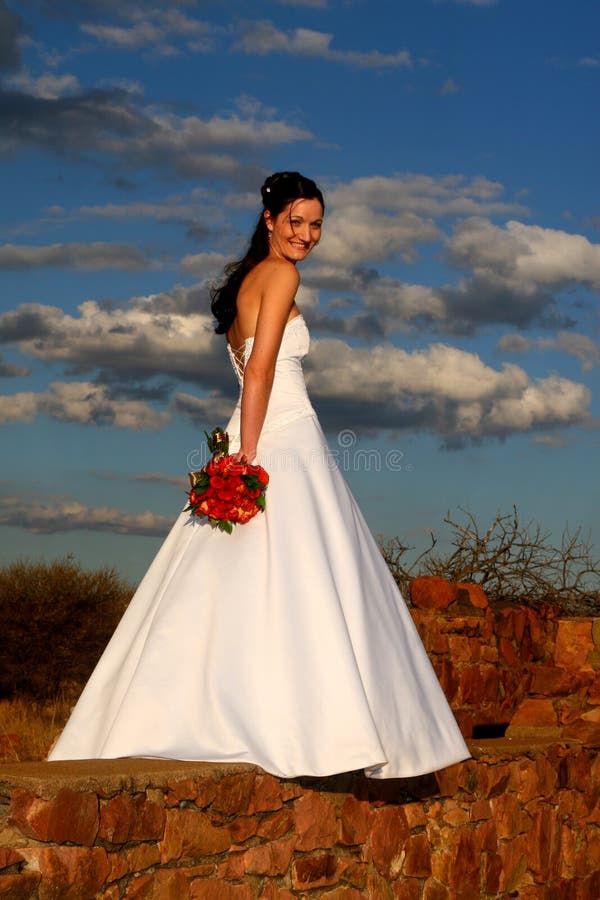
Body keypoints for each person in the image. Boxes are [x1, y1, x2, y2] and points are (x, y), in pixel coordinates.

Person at [48, 171, 470, 778]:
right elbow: (262, 371)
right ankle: (313, 729)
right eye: (296, 221)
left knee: (241, 575)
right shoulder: (282, 276)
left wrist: (236, 453)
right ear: (269, 218)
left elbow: (249, 367)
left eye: (316, 224)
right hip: (280, 432)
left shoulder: (247, 283)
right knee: (307, 574)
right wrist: (248, 459)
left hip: (257, 427)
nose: (307, 235)